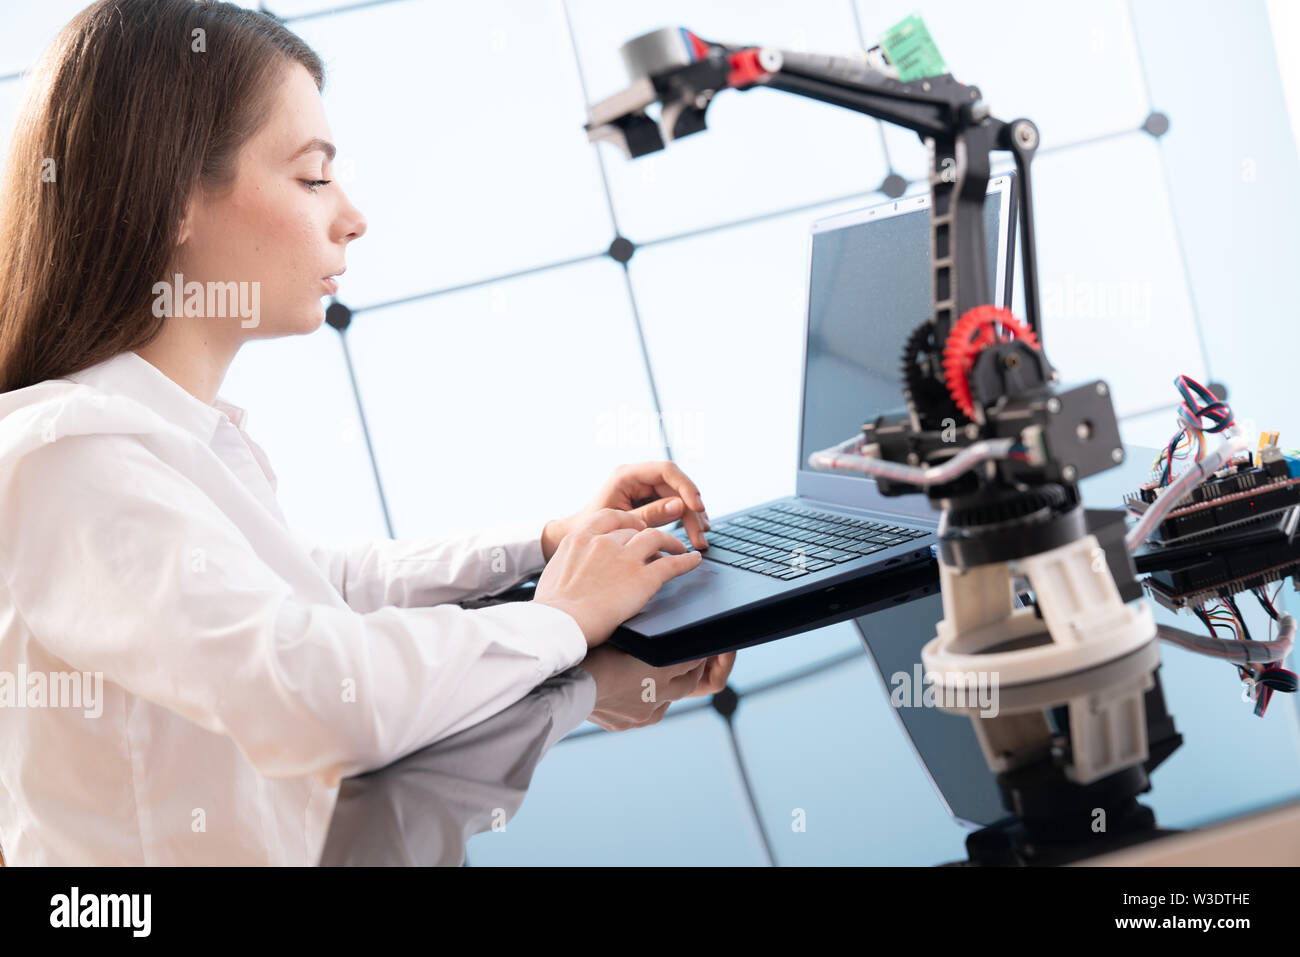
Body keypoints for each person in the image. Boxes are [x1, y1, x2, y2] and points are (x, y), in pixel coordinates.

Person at [0, 0, 733, 866]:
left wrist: (543, 545)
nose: (351, 217)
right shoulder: (67, 454)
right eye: (312, 178)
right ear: (170, 200)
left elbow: (321, 588)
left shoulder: (156, 440)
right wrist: (564, 615)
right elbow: (319, 692)